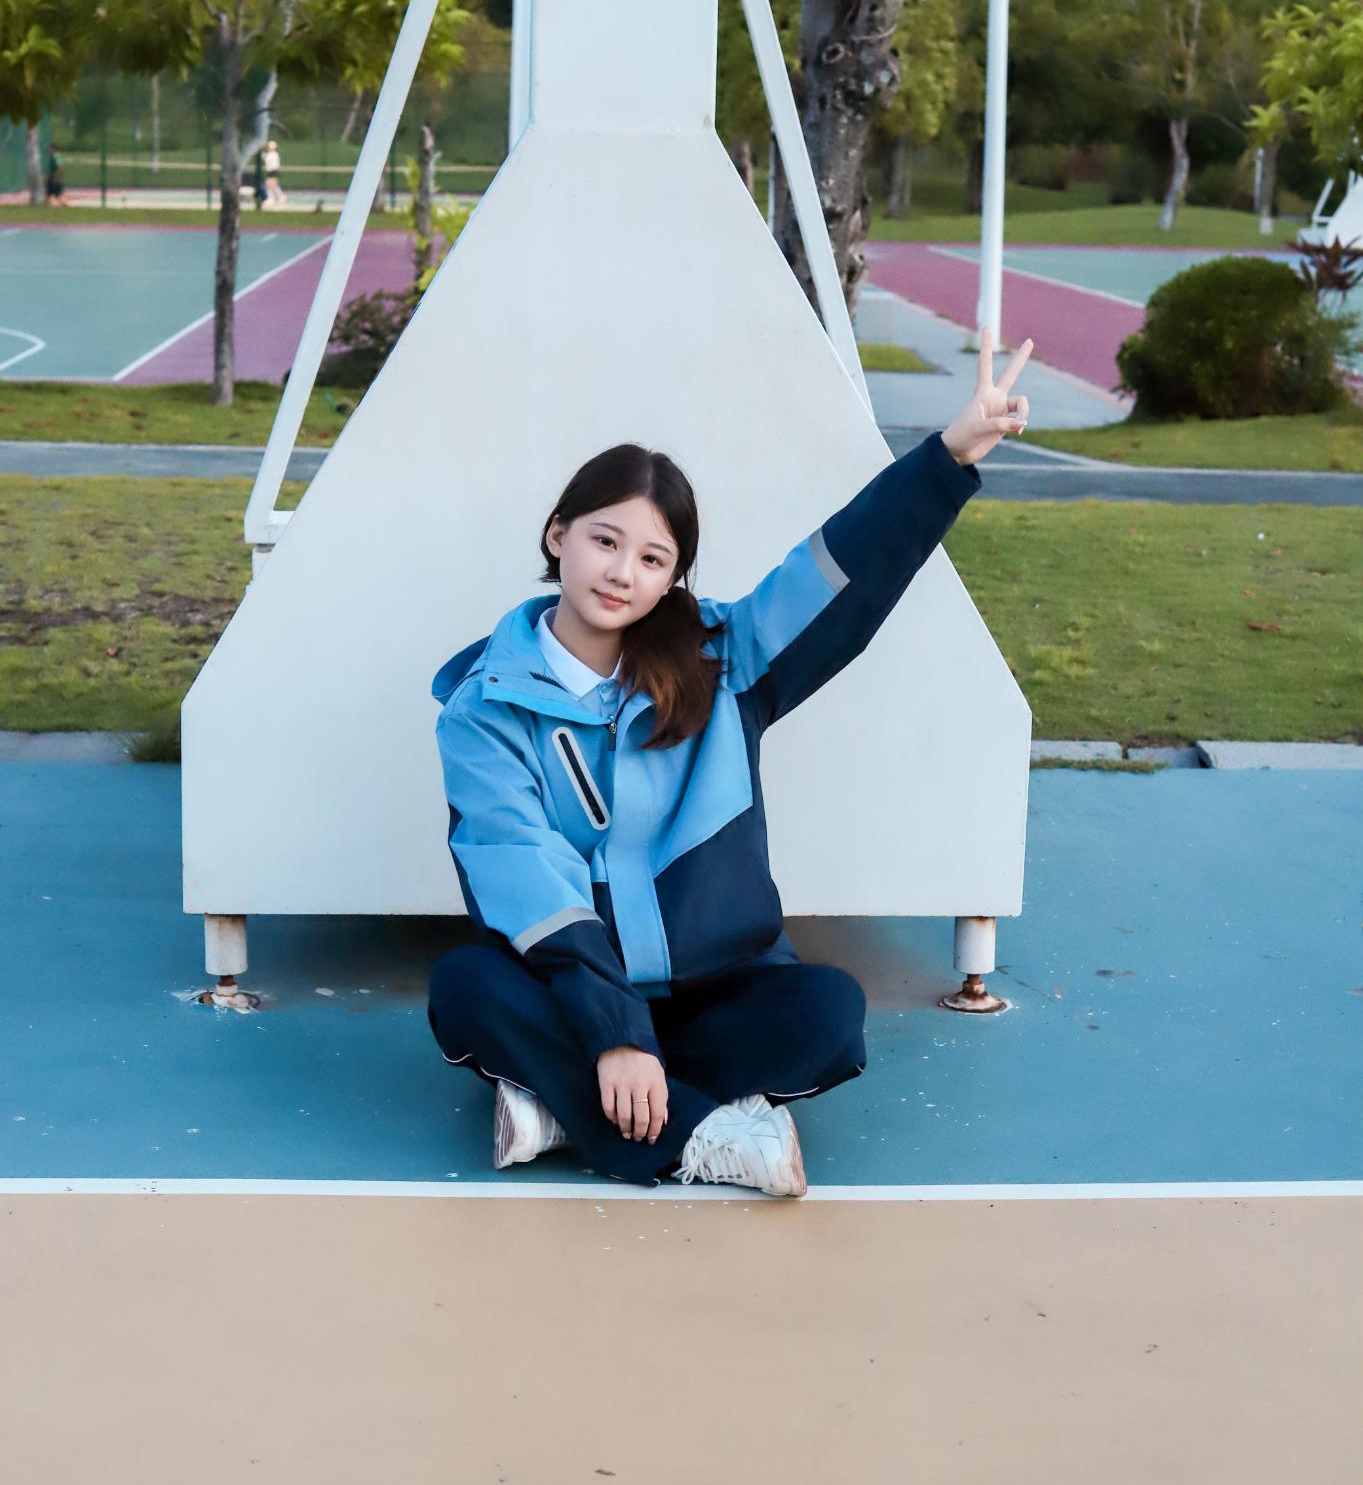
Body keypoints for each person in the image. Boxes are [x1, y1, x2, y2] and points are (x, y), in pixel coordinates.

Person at [427, 331, 1033, 1197]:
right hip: (571, 994)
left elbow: (834, 576)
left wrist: (947, 458)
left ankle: (562, 1106)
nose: (621, 573)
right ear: (557, 536)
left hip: (714, 990)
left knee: (829, 1012)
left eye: (651, 558)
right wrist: (616, 1032)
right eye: (604, 541)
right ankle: (704, 1132)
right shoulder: (482, 708)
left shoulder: (723, 660)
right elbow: (524, 872)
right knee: (465, 987)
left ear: (672, 578)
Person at [261, 137, 284, 209]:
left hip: (273, 171)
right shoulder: (271, 154)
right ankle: (276, 198)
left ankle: (279, 197)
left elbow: (267, 161)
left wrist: (263, 156)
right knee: (270, 185)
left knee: (272, 185)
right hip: (270, 171)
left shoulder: (273, 154)